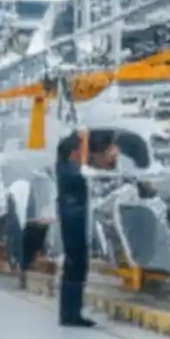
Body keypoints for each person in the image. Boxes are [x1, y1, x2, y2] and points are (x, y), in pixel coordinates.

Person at [56, 131, 119, 327]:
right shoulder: (72, 149)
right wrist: (88, 169)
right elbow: (74, 172)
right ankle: (70, 314)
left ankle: (72, 312)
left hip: (76, 210)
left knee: (78, 263)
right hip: (72, 211)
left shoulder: (77, 146)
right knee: (75, 262)